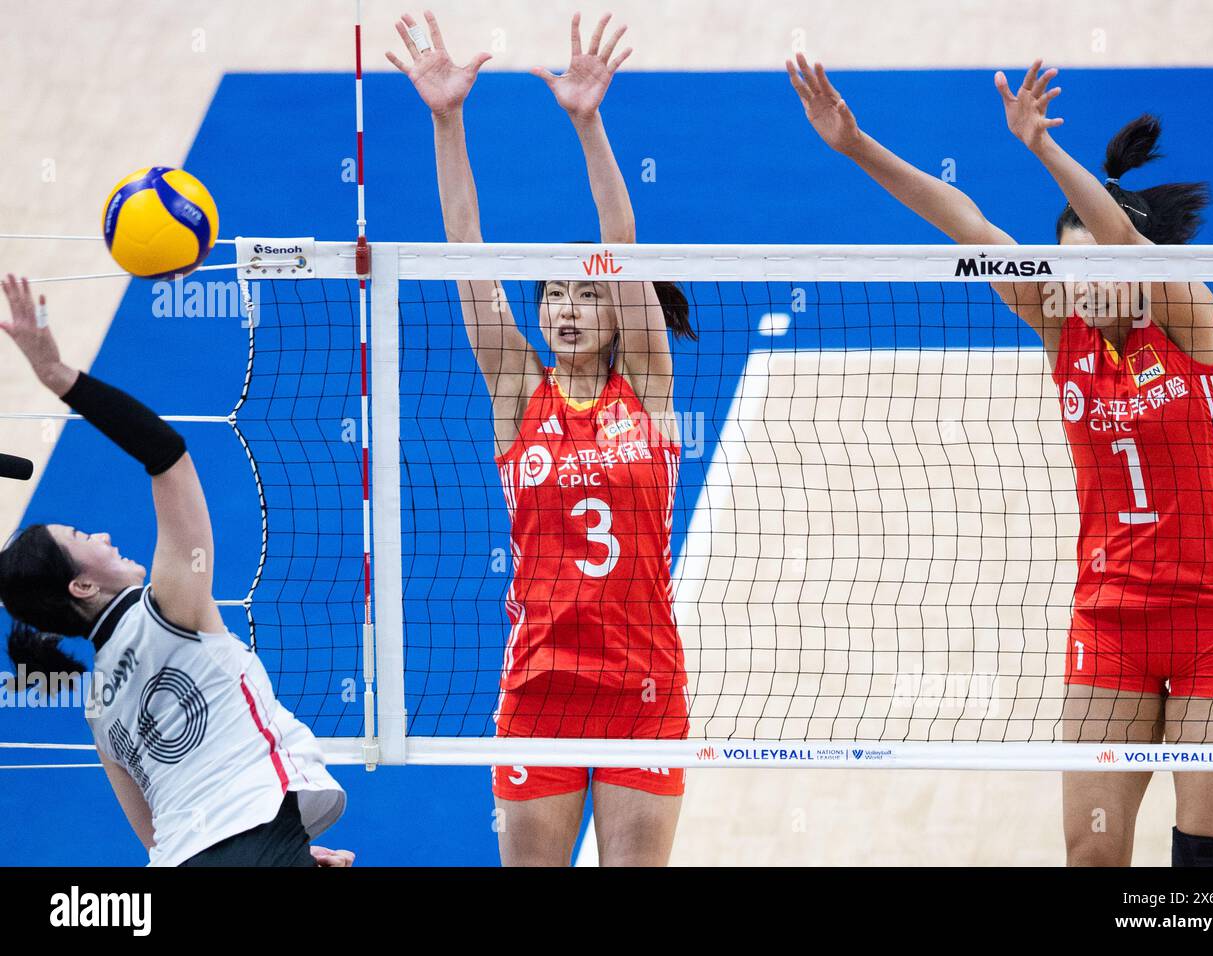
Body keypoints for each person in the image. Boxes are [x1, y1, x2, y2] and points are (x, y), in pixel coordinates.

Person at [788, 56, 1213, 866]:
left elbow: (1119, 240)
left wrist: (1043, 148)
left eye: (1095, 265)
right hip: (1112, 621)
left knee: (1206, 876)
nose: (1082, 284)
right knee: (1090, 855)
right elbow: (968, 227)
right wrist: (855, 145)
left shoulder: (1185, 314)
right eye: (1066, 270)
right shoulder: (1062, 332)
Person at [387, 10, 695, 866]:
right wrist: (447, 121)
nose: (565, 306)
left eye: (585, 294)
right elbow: (465, 253)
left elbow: (621, 246)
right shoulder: (519, 391)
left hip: (643, 687)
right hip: (541, 688)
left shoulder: (651, 391)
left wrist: (587, 124)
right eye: (554, 293)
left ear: (614, 311)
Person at [0, 274, 354, 867]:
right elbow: (166, 453)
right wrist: (60, 377)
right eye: (83, 538)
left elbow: (158, 836)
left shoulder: (99, 707)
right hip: (256, 842)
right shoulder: (169, 606)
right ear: (81, 586)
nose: (103, 535)